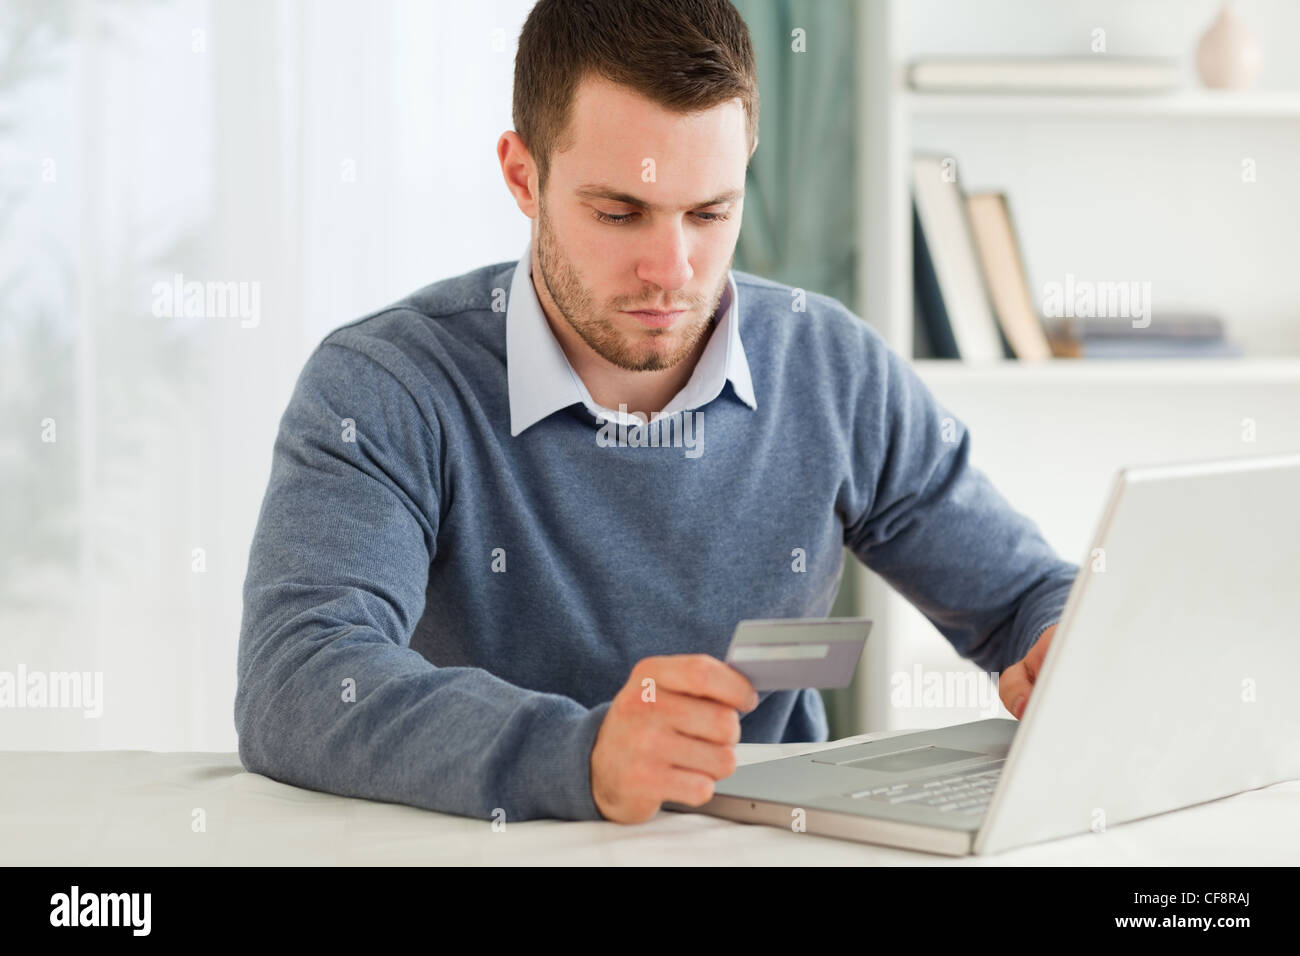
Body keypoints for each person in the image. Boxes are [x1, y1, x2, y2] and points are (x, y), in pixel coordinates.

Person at [235, 0, 1076, 826]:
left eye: (710, 214)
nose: (670, 271)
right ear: (524, 177)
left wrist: (1059, 648)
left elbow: (1026, 595)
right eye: (619, 213)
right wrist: (576, 754)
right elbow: (300, 676)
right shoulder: (387, 385)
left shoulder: (831, 367)